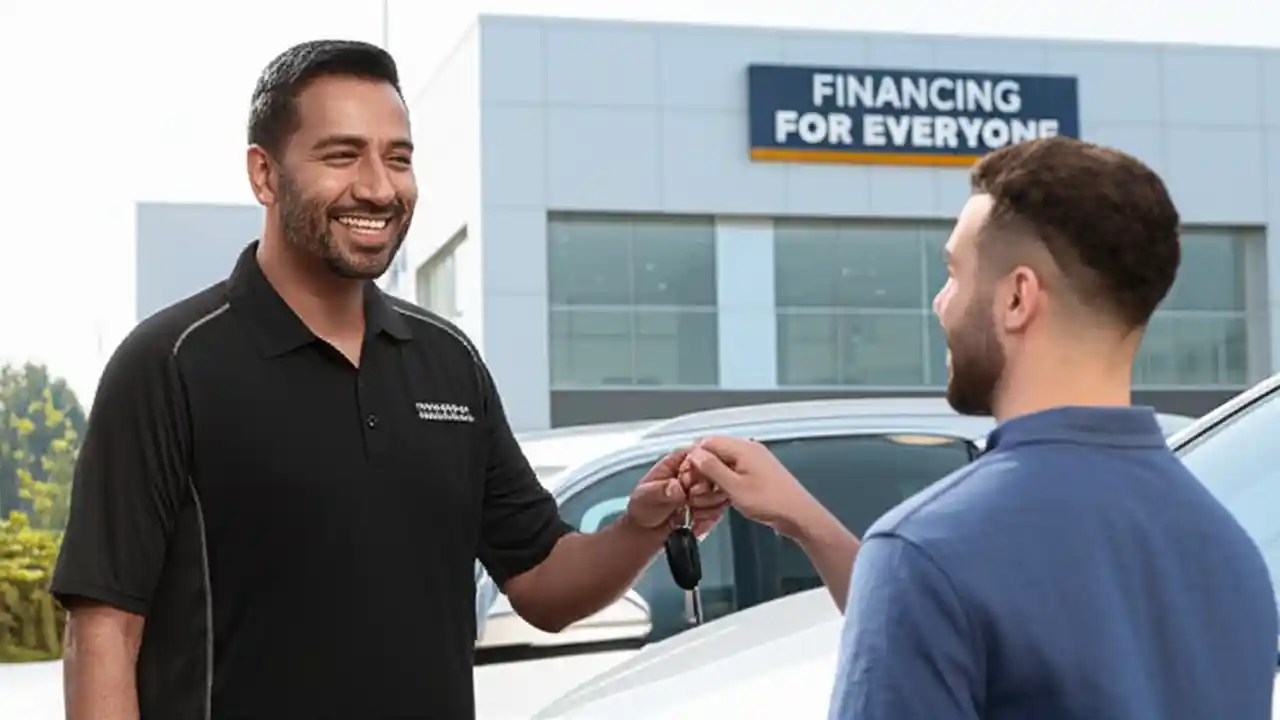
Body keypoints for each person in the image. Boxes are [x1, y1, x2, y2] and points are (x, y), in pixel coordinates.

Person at [50, 39, 727, 720]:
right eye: (342, 155)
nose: (379, 186)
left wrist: (642, 526)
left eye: (397, 157)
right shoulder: (170, 365)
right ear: (265, 174)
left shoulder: (448, 363)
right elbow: (103, 632)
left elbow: (542, 582)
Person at [683, 136, 1278, 719]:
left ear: (1018, 297)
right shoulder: (1234, 557)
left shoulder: (930, 554)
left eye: (953, 273)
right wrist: (808, 523)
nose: (940, 303)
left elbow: (947, 589)